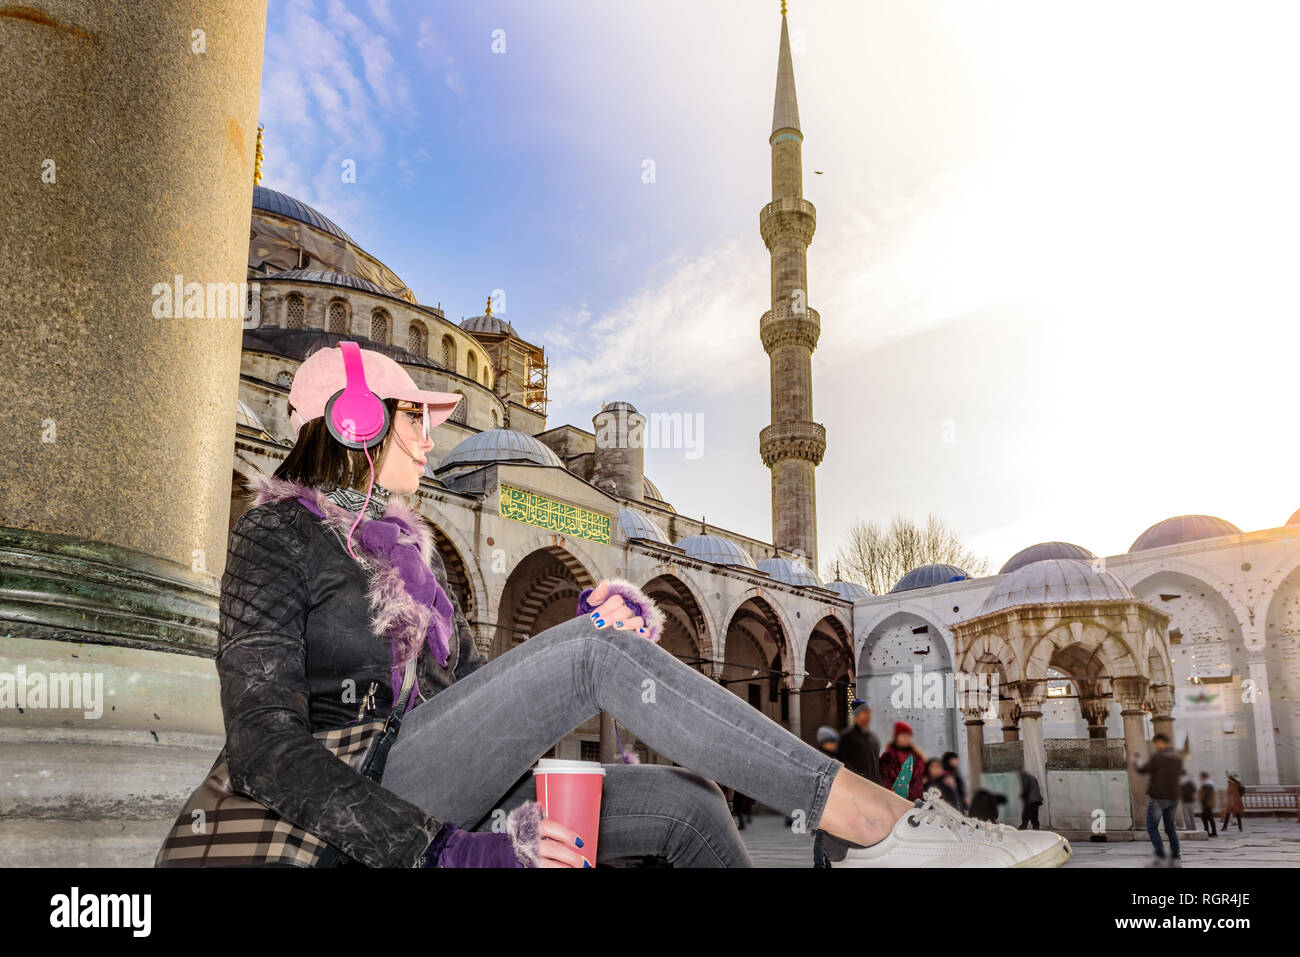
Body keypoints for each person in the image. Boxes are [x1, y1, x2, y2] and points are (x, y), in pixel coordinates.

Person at [176, 342, 1071, 868]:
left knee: (689, 807)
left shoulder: (409, 556)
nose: (432, 435)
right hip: (353, 812)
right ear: (355, 422)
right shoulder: (276, 536)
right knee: (591, 655)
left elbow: (470, 697)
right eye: (415, 417)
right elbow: (261, 742)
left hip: (430, 766)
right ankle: (880, 823)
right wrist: (446, 852)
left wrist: (583, 619)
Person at [1133, 732, 1183, 867]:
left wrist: (1136, 763)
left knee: (1152, 827)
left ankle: (1160, 855)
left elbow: (1143, 770)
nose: (1156, 746)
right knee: (1170, 828)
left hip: (1159, 798)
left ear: (1160, 742)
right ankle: (1176, 858)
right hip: (1173, 798)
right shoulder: (1177, 757)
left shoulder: (1158, 757)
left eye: (1156, 743)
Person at [879, 721, 927, 801]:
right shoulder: (888, 756)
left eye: (908, 736)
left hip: (914, 801)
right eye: (903, 735)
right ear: (896, 737)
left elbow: (921, 779)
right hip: (892, 800)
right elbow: (884, 779)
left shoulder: (916, 757)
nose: (906, 738)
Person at [812, 727, 839, 868]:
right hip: (823, 803)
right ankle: (819, 863)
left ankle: (827, 862)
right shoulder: (821, 760)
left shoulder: (834, 758)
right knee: (822, 836)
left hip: (833, 802)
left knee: (828, 836)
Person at [837, 699, 881, 785]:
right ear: (856, 715)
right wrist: (860, 778)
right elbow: (842, 763)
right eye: (865, 712)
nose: (869, 716)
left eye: (869, 712)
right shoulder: (847, 737)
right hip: (856, 786)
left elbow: (876, 767)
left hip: (873, 787)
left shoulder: (873, 739)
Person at [1198, 772, 1217, 837]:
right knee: (1206, 818)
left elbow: (1207, 796)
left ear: (1204, 777)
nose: (1200, 778)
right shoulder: (1207, 784)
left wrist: (1205, 804)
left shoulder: (1207, 785)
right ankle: (1209, 832)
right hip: (1207, 804)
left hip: (1207, 805)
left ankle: (1211, 832)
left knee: (1208, 818)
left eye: (1201, 777)